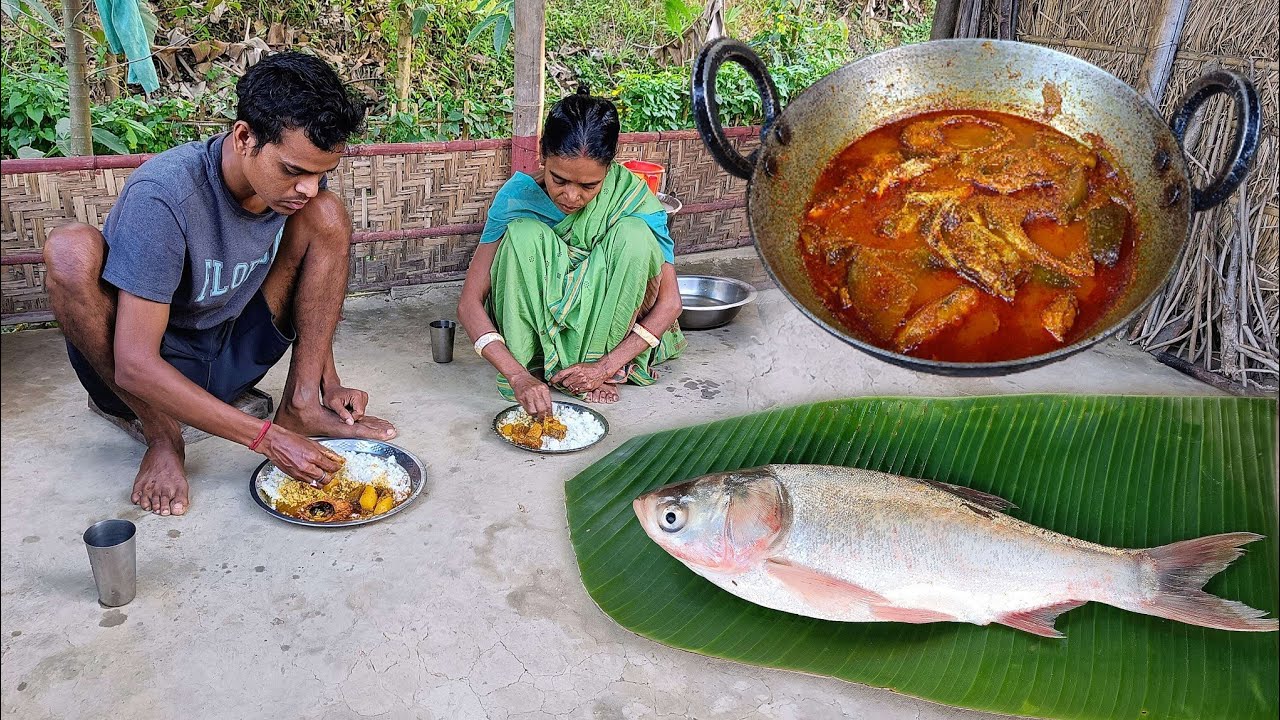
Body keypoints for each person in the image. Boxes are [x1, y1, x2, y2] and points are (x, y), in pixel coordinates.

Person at [42, 52, 397, 517]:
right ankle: (162, 436)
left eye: (320, 172)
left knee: (328, 214)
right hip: (147, 376)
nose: (308, 187)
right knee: (70, 249)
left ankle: (302, 403)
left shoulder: (293, 197)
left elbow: (308, 291)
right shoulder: (165, 195)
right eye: (294, 170)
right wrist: (265, 438)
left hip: (227, 356)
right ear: (244, 137)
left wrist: (329, 381)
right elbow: (133, 364)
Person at [457, 88, 685, 416]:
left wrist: (605, 367)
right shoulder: (517, 199)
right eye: (559, 180)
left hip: (606, 352)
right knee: (523, 235)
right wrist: (517, 375)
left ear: (608, 170)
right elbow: (468, 304)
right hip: (531, 346)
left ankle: (589, 367)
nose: (572, 196)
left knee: (635, 236)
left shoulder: (632, 198)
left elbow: (671, 302)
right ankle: (538, 367)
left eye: (588, 186)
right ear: (542, 155)